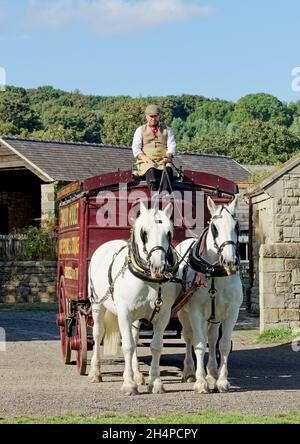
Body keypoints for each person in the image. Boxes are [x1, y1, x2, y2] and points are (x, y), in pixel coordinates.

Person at [132, 104, 176, 192]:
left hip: (163, 161)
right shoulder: (140, 130)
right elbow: (136, 147)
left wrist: (168, 156)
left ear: (159, 116)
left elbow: (172, 145)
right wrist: (143, 157)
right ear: (146, 116)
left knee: (168, 169)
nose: (153, 118)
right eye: (151, 116)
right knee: (150, 169)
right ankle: (154, 192)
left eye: (155, 116)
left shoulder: (168, 130)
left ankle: (165, 193)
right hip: (147, 161)